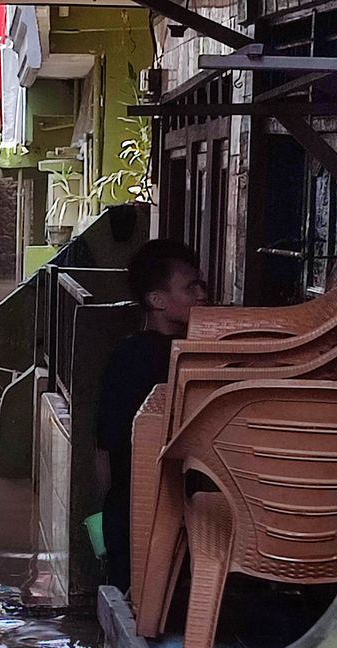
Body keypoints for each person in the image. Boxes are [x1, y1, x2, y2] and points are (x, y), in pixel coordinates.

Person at [94, 240, 208, 593]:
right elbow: (109, 447)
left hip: (138, 510)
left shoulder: (136, 353)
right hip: (144, 506)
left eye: (201, 285)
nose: (202, 295)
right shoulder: (140, 358)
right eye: (191, 287)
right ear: (157, 300)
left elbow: (103, 449)